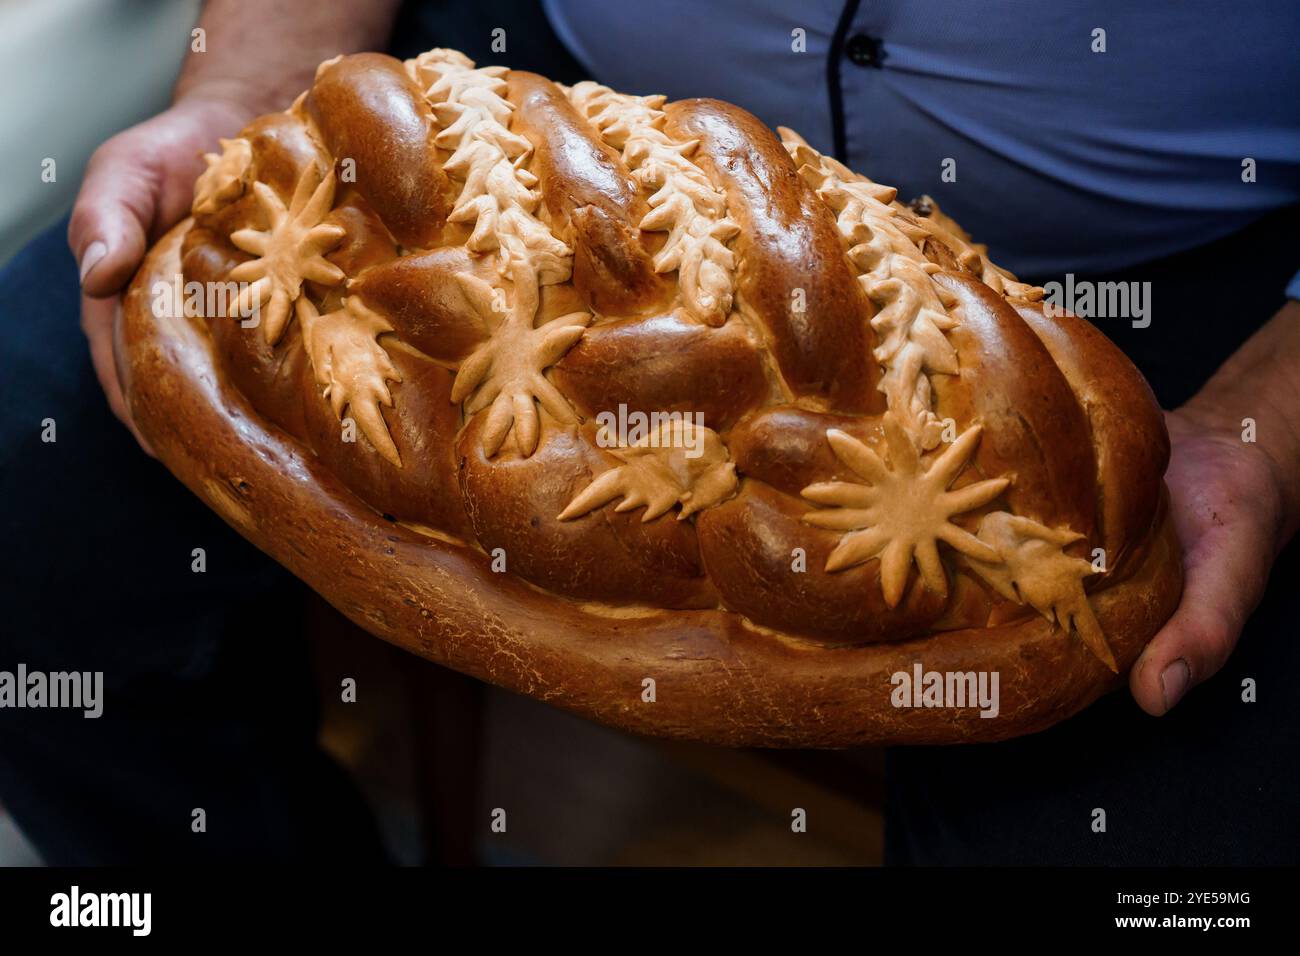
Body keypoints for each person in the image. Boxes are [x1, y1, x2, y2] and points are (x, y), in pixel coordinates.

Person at [2, 0, 1296, 864]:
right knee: (20, 468)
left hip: (1193, 268)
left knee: (1165, 843)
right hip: (518, 129)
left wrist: (1275, 424)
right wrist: (249, 79)